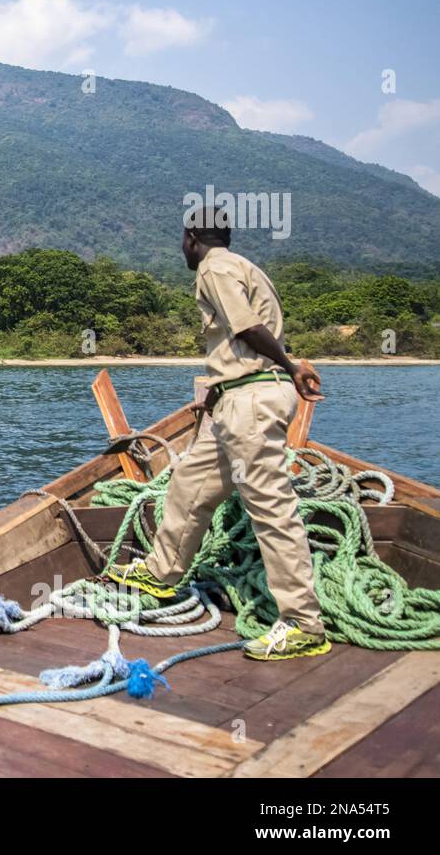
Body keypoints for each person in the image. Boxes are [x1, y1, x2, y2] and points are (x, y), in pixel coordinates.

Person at [107, 205, 329, 661]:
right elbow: (236, 344)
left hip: (252, 403)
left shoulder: (214, 268)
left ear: (191, 237)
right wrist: (214, 395)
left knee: (270, 507)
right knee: (190, 483)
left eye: (182, 241)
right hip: (237, 399)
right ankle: (162, 573)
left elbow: (247, 328)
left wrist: (291, 366)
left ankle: (304, 623)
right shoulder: (243, 266)